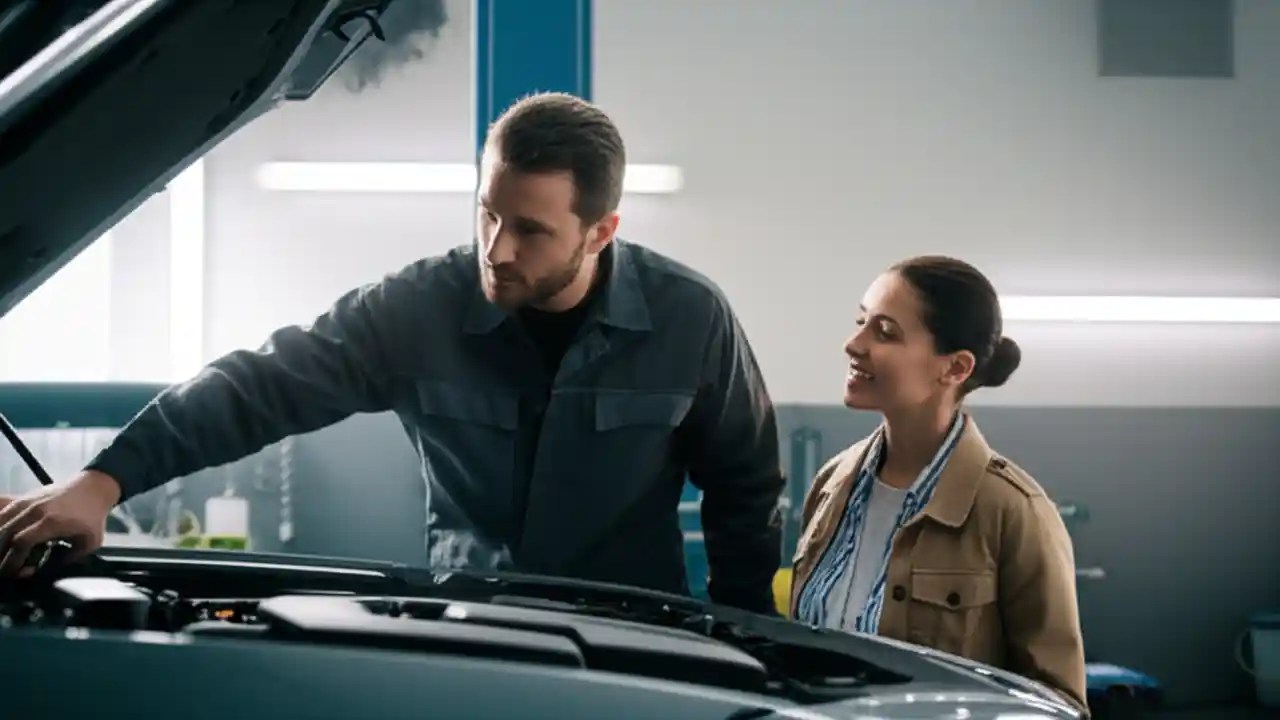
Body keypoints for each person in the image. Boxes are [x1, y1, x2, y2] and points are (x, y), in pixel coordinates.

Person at [0, 92, 785, 614]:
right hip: (470, 637)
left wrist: (745, 638)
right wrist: (105, 480)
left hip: (635, 650)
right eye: (487, 214)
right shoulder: (419, 309)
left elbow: (745, 493)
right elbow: (263, 385)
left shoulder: (692, 319)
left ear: (600, 231)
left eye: (531, 230)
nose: (495, 250)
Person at [787, 256, 1087, 711]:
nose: (854, 343)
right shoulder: (833, 484)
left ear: (955, 368)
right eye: (861, 321)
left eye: (885, 332)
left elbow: (1058, 704)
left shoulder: (1014, 512)